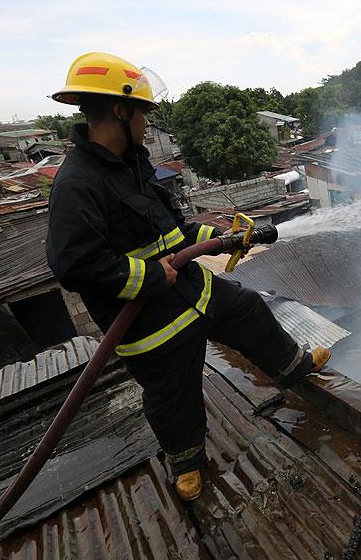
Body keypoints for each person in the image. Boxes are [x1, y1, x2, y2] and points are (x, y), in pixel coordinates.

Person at [45, 52, 329, 501]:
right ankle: (187, 466)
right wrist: (148, 276)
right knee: (174, 393)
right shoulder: (77, 183)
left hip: (193, 289)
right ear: (120, 110)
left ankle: (293, 367)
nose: (147, 125)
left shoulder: (134, 166)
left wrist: (219, 237)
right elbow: (72, 264)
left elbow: (174, 231)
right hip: (144, 320)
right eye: (143, 114)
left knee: (249, 308)